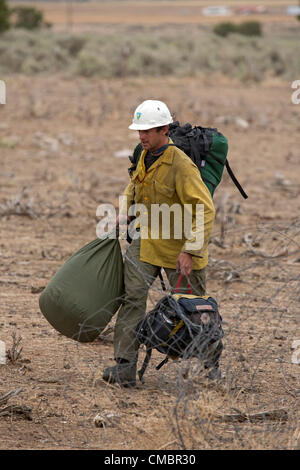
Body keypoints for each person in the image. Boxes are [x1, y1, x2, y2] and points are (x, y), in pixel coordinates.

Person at [102, 100, 217, 387]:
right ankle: (125, 367)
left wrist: (191, 250)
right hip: (147, 242)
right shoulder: (144, 153)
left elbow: (205, 208)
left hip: (180, 247)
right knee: (132, 299)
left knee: (195, 309)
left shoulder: (181, 164)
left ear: (164, 129)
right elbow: (135, 184)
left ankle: (211, 367)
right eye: (139, 130)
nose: (142, 136)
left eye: (148, 131)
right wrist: (125, 209)